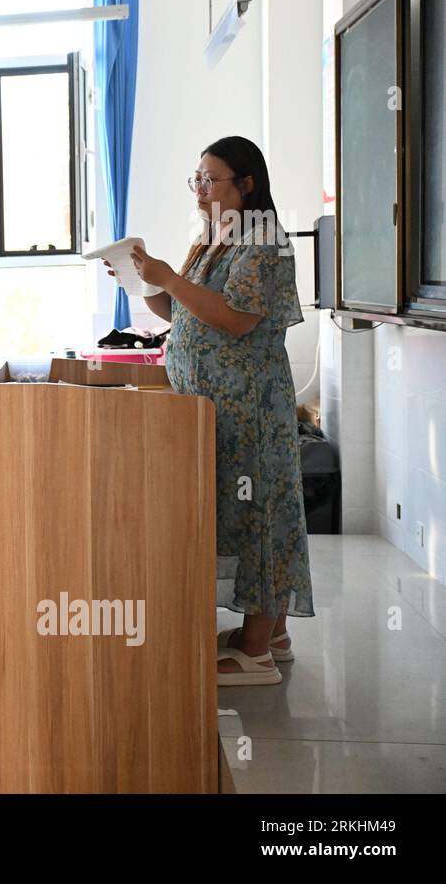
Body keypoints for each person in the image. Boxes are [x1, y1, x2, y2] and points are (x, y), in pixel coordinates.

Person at [116, 135, 311, 687]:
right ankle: (269, 631)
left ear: (246, 184)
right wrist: (140, 282)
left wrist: (169, 280)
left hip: (249, 409)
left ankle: (257, 651)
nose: (200, 191)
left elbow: (236, 319)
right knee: (234, 514)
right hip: (213, 409)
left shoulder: (264, 242)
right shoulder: (211, 240)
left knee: (260, 517)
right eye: (196, 180)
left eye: (211, 180)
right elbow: (178, 309)